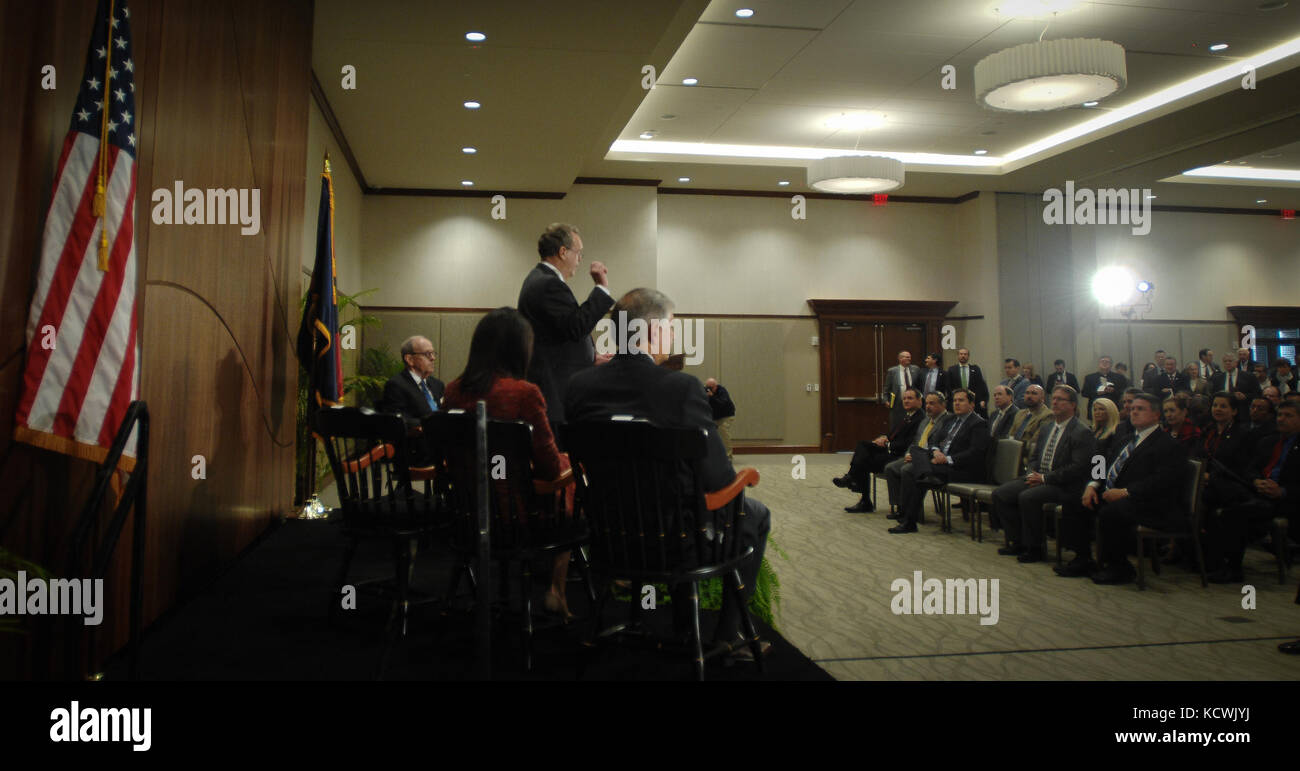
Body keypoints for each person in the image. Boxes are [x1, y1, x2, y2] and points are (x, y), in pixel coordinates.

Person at [564, 288, 772, 663]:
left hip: (610, 538)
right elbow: (720, 482)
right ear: (653, 331)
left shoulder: (580, 387)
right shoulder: (680, 388)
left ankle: (676, 624)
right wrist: (744, 479)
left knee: (674, 506)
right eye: (672, 327)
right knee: (755, 513)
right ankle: (728, 637)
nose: (674, 336)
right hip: (676, 541)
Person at [442, 308, 575, 619]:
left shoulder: (451, 391)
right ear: (520, 349)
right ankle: (556, 589)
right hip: (519, 516)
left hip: (467, 512)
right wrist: (572, 463)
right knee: (571, 487)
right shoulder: (525, 393)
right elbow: (551, 469)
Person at [1056, 393, 1187, 584]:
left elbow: (1162, 481)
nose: (1133, 412)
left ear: (1156, 415)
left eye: (1140, 409)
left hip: (1150, 502)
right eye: (1132, 409)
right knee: (1073, 500)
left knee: (1113, 513)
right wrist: (1092, 485)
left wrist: (1126, 492)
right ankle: (1083, 558)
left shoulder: (1167, 445)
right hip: (1116, 494)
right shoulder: (1124, 439)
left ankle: (1119, 567)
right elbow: (1101, 462)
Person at [518, 223, 615, 426]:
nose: (580, 260)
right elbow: (576, 326)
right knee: (558, 455)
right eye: (578, 253)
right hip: (553, 394)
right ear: (563, 252)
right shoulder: (549, 284)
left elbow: (559, 332)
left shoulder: (539, 279)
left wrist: (590, 357)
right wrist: (602, 288)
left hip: (552, 390)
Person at [994, 385, 1097, 563]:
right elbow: (1035, 456)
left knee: (1028, 497)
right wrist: (1032, 473)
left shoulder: (1081, 431)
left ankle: (1035, 548)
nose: (1055, 402)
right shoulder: (1048, 428)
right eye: (1053, 398)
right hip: (1039, 476)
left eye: (1060, 399)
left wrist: (1044, 478)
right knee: (1001, 494)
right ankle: (1018, 540)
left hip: (1062, 484)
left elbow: (1077, 467)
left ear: (1073, 405)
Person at [1203, 401, 1299, 584]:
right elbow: (1250, 469)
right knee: (1218, 501)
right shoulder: (1268, 441)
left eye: (1288, 416)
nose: (1282, 419)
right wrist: (1256, 481)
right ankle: (1214, 562)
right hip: (1258, 493)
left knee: (1234, 514)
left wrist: (1282, 491)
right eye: (1280, 415)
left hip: (1287, 501)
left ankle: (1233, 568)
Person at [889, 389, 988, 534]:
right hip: (939, 463)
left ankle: (909, 520)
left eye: (961, 400)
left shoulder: (978, 424)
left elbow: (975, 453)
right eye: (955, 401)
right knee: (916, 451)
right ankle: (927, 477)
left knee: (914, 472)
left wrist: (947, 458)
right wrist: (936, 451)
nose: (957, 404)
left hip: (960, 468)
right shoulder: (951, 419)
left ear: (972, 404)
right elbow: (935, 440)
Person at [834, 387, 923, 512]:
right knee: (863, 446)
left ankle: (857, 488)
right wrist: (883, 437)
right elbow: (893, 434)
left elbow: (908, 443)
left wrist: (887, 444)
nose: (906, 401)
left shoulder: (920, 419)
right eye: (904, 398)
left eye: (910, 398)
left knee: (863, 461)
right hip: (890, 449)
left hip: (899, 455)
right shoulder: (906, 416)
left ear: (919, 401)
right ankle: (852, 479)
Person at [884, 392, 950, 513]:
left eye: (932, 403)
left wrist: (918, 456)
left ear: (943, 405)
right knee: (890, 468)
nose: (928, 406)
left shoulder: (947, 421)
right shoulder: (925, 420)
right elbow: (915, 441)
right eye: (927, 403)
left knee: (906, 470)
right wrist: (909, 454)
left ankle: (911, 511)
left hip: (927, 458)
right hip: (915, 454)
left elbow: (938, 445)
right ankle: (899, 507)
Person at [380, 335, 445, 430]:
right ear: (410, 359)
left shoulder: (437, 385)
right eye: (427, 354)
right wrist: (433, 426)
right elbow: (400, 420)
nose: (433, 358)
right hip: (417, 440)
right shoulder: (396, 385)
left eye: (433, 353)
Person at [885, 350, 922, 431]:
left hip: (913, 403)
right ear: (900, 358)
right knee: (897, 427)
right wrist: (886, 400)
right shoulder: (892, 371)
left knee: (913, 426)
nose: (909, 358)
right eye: (907, 357)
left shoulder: (916, 369)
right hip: (897, 404)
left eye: (910, 357)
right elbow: (886, 388)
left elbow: (920, 386)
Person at [946, 347, 989, 415]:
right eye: (961, 354)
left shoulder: (975, 369)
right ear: (958, 356)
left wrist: (982, 399)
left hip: (973, 403)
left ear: (968, 356)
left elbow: (980, 385)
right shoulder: (951, 370)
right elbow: (949, 387)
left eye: (965, 354)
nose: (963, 356)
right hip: (958, 401)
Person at [704, 378, 736, 460]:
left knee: (723, 432)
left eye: (711, 387)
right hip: (714, 417)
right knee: (708, 434)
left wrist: (712, 397)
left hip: (726, 415)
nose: (709, 389)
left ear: (716, 386)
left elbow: (721, 403)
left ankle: (728, 456)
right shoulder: (705, 391)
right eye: (707, 387)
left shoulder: (722, 391)